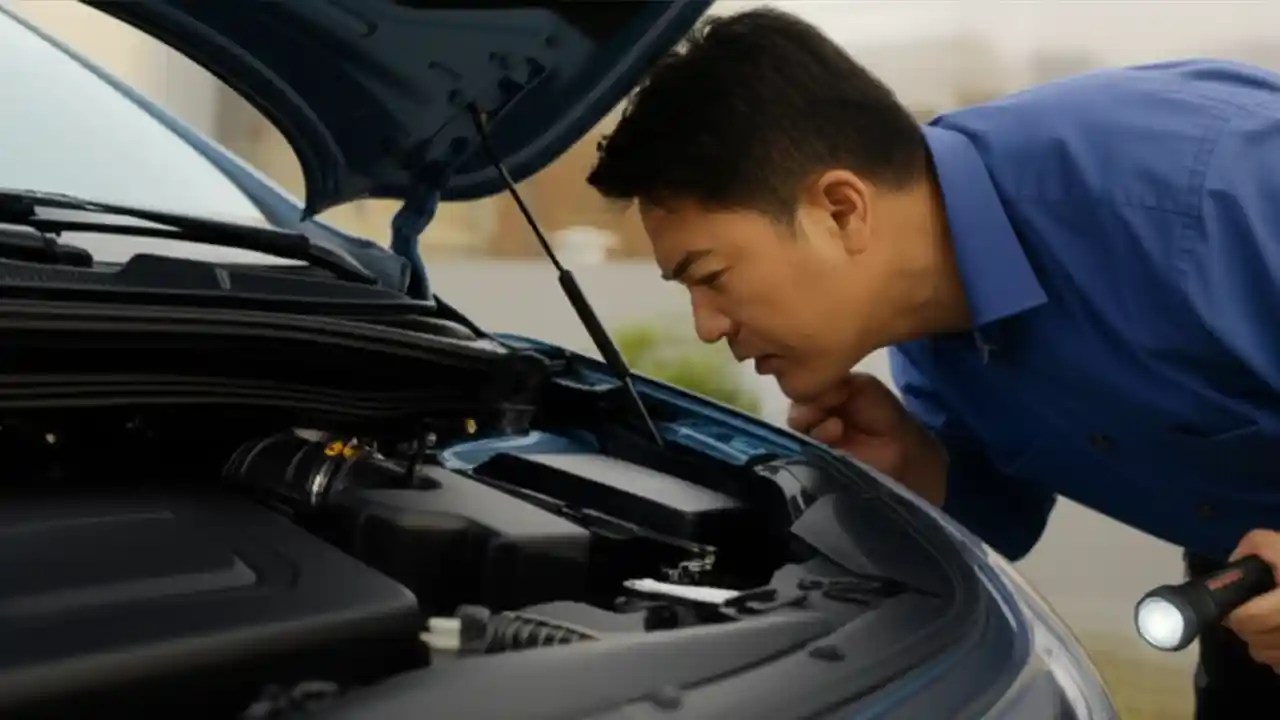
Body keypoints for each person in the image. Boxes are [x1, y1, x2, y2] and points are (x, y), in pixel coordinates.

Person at [585, 8, 1280, 718]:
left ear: (842, 210)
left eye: (711, 275)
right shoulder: (924, 327)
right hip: (1251, 596)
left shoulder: (1204, 193)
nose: (707, 327)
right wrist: (924, 471)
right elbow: (1007, 521)